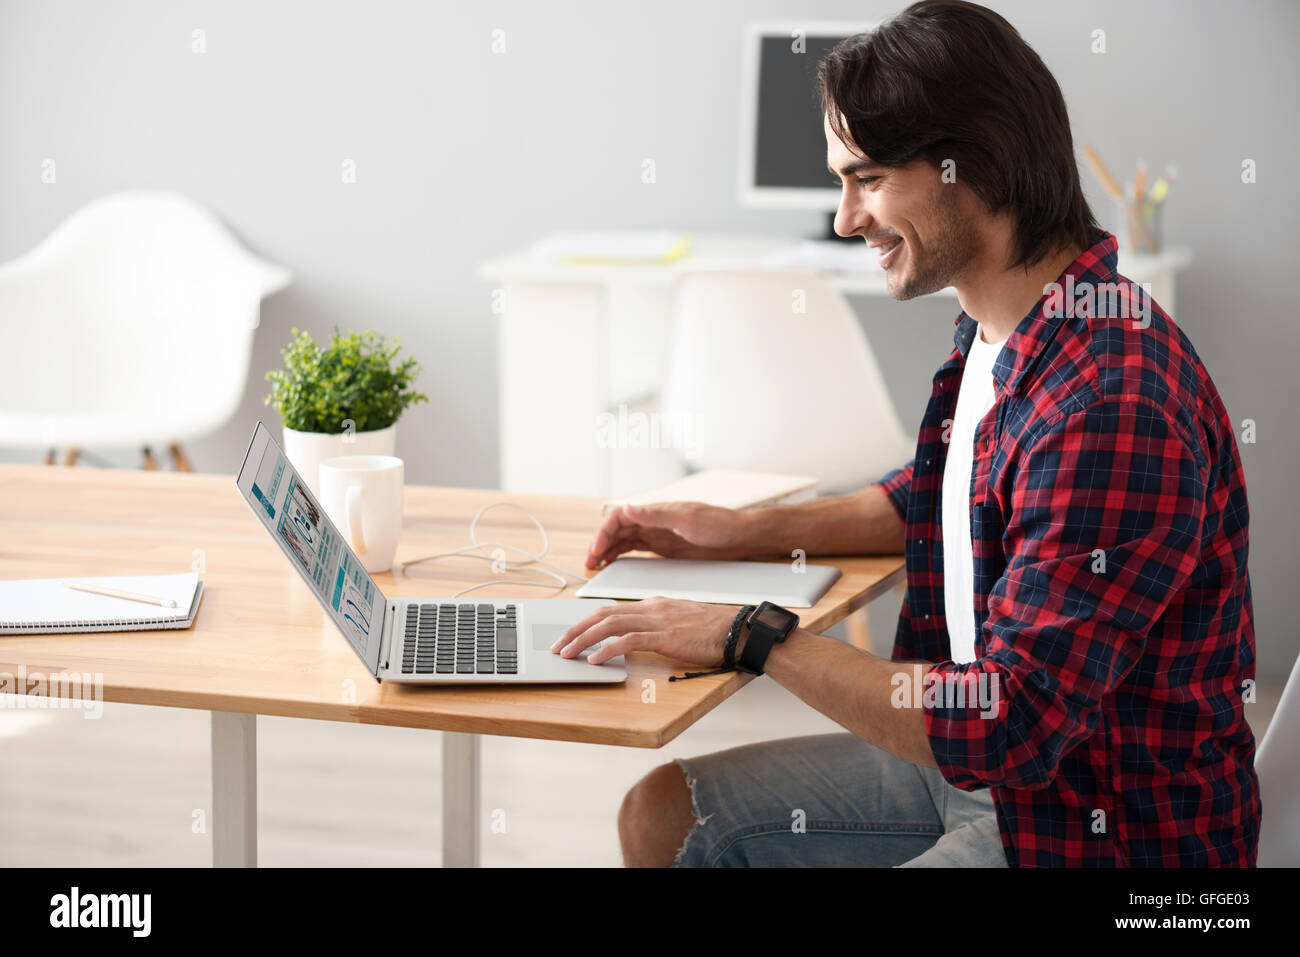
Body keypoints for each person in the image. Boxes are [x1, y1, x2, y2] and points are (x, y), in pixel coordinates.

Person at [551, 0, 1259, 867]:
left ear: (978, 163)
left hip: (1085, 825)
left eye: (870, 178)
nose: (848, 218)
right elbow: (948, 493)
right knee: (665, 814)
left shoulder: (1107, 402)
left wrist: (753, 633)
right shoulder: (1009, 326)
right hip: (971, 773)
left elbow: (1010, 724)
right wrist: (745, 533)